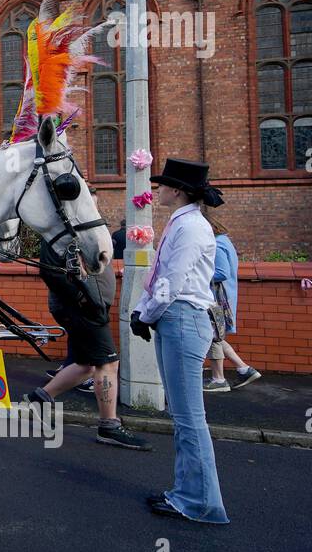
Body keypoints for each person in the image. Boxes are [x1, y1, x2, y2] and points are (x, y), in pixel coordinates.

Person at [131, 157, 229, 524]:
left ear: (178, 190)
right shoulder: (182, 223)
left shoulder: (190, 228)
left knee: (190, 419)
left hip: (183, 320)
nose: (157, 189)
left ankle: (200, 503)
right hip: (175, 319)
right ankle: (187, 493)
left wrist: (147, 313)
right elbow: (161, 279)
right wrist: (144, 311)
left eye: (162, 184)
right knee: (183, 416)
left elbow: (173, 281)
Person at [25, 235, 151, 450]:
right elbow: (49, 272)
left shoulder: (82, 227)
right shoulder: (60, 232)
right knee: (107, 363)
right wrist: (82, 299)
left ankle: (39, 399)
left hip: (90, 306)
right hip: (85, 310)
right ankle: (108, 426)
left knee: (86, 364)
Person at [203, 210, 260, 392]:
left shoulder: (218, 244)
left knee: (214, 337)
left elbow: (222, 272)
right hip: (222, 296)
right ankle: (244, 369)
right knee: (215, 335)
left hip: (218, 298)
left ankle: (219, 379)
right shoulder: (224, 241)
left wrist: (197, 274)